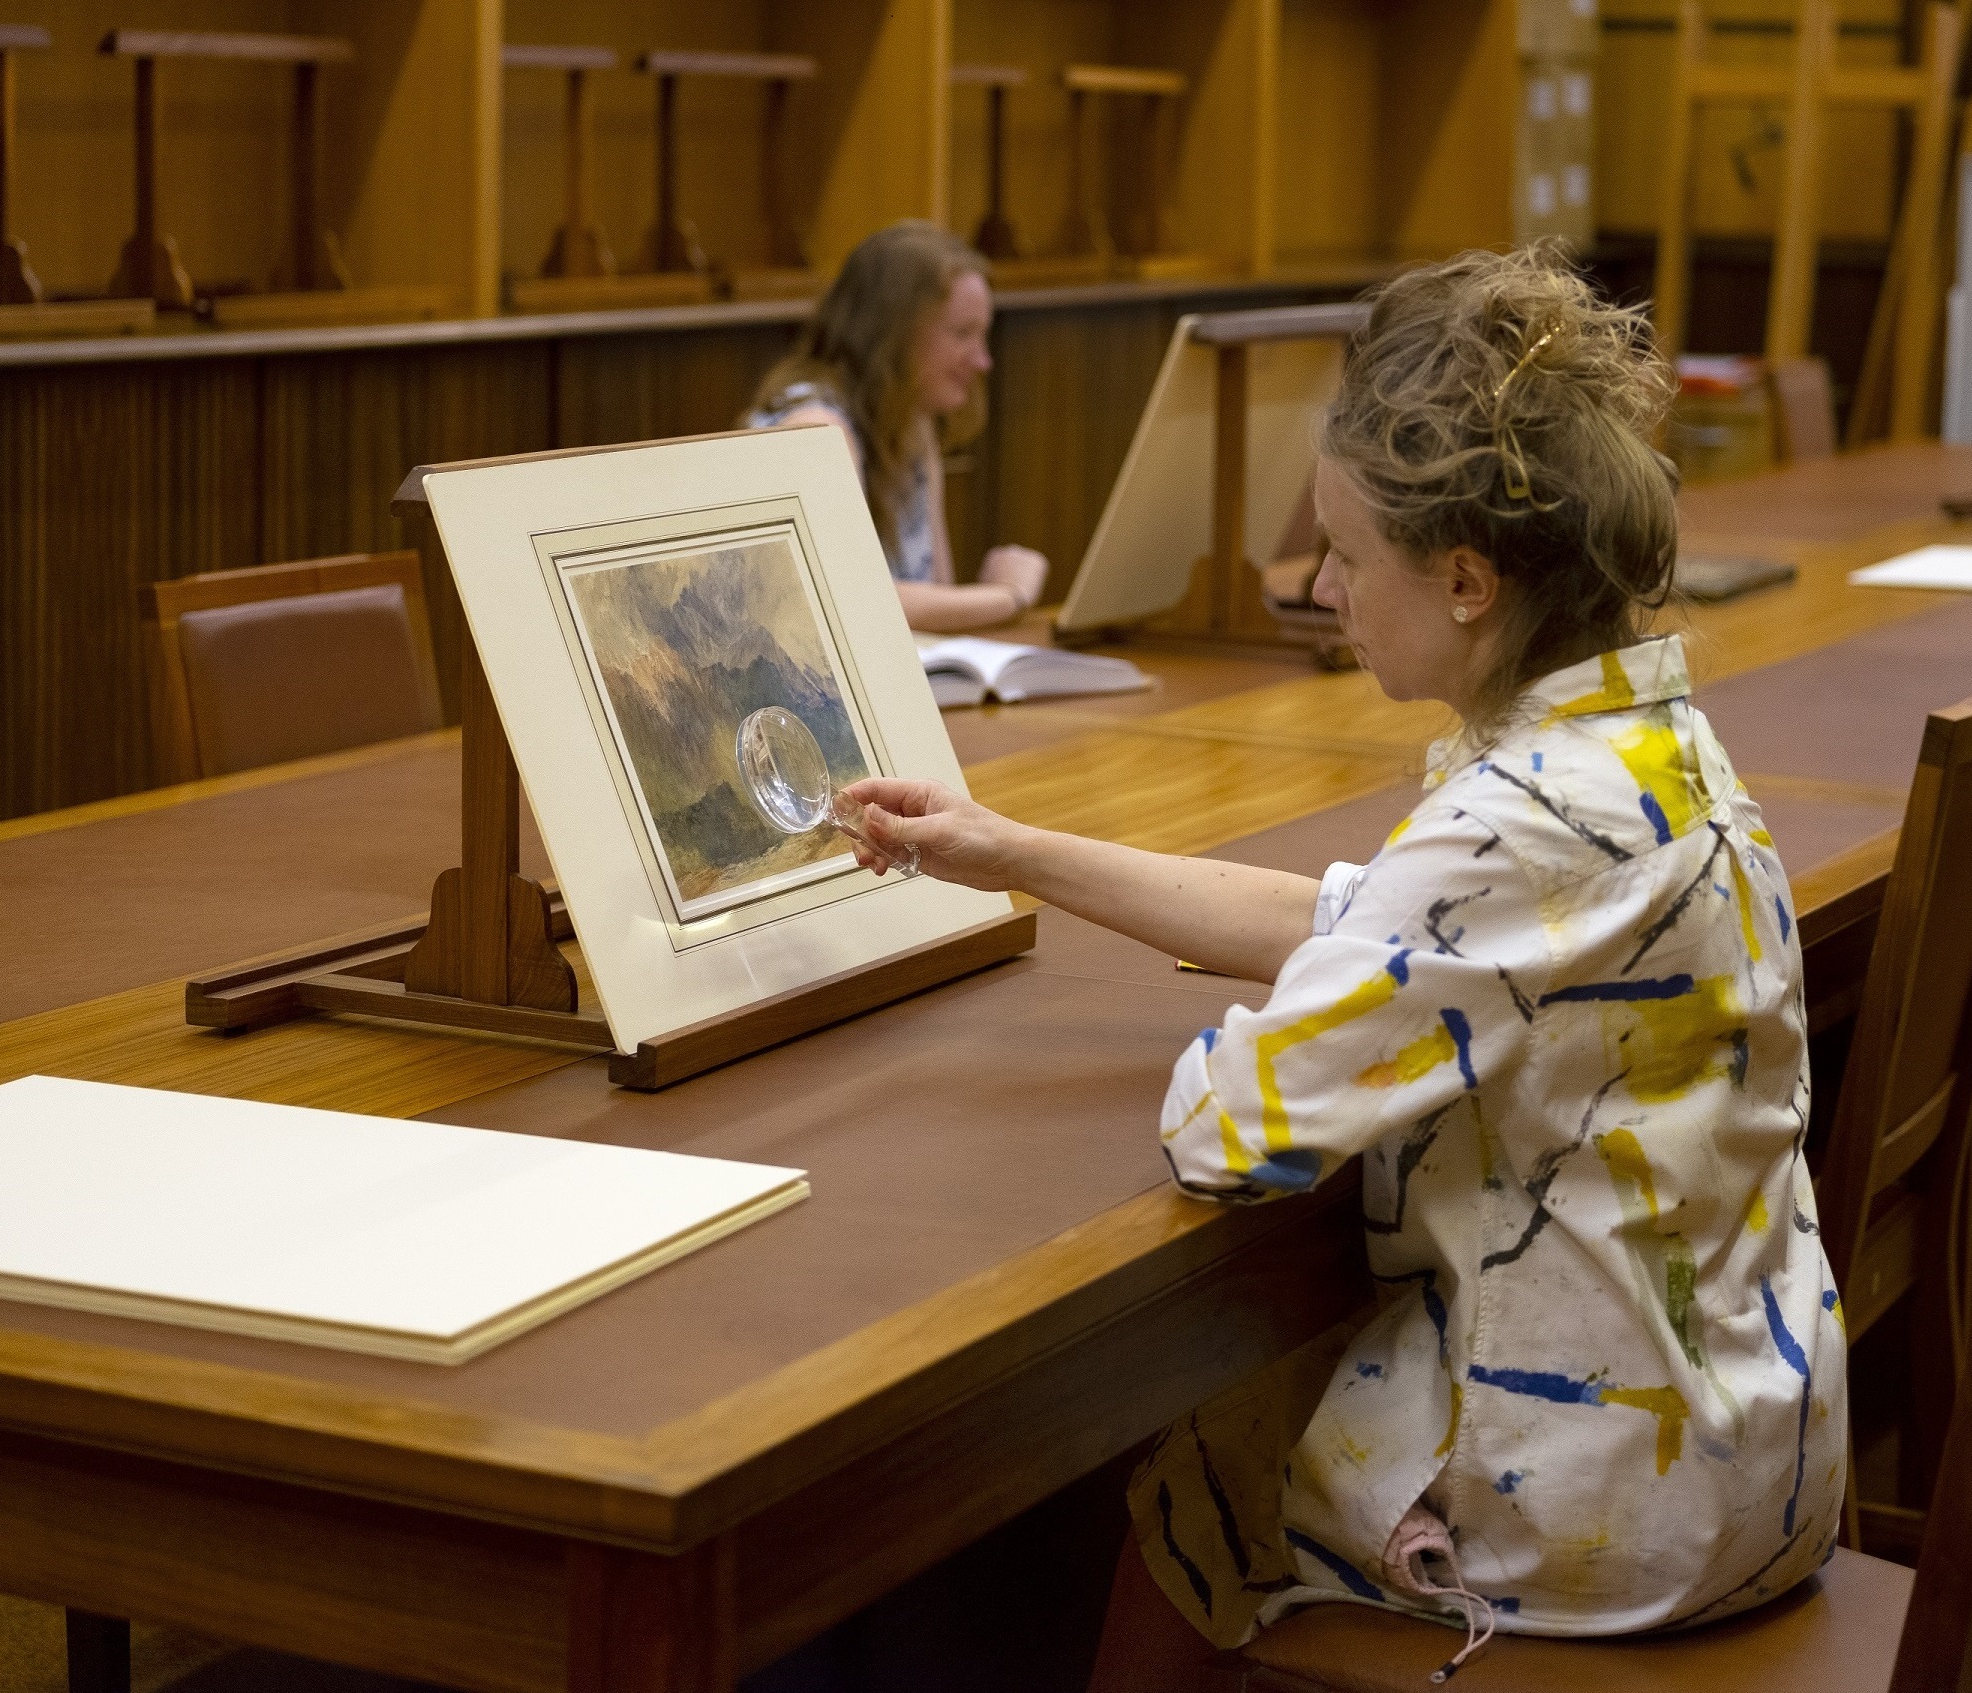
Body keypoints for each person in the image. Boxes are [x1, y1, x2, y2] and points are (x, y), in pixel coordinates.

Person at [838, 248, 1847, 1676]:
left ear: (1464, 577)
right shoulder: (1645, 749)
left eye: (1345, 555)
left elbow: (1226, 1127)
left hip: (1617, 1503)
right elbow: (1375, 921)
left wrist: (1305, 1020)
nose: (1319, 588)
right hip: (1760, 1439)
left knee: (1176, 1463)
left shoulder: (1512, 827)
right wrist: (1009, 850)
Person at [744, 221, 1051, 633]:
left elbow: (935, 602)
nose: (982, 361)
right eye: (962, 333)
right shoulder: (813, 428)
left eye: (983, 336)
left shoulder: (913, 421)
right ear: (890, 333)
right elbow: (847, 604)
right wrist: (1007, 595)